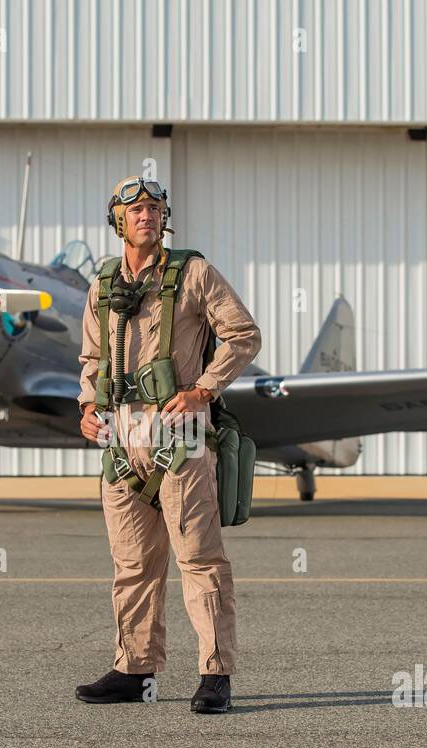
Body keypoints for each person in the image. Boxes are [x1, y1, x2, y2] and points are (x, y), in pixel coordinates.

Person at [74, 175, 262, 714]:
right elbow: (90, 360)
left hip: (179, 437)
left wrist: (204, 389)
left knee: (200, 559)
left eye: (155, 208)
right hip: (120, 440)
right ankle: (134, 669)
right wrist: (88, 408)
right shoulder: (102, 284)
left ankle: (216, 673)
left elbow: (243, 334)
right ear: (117, 221)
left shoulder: (194, 273)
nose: (147, 215)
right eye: (134, 210)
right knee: (132, 564)